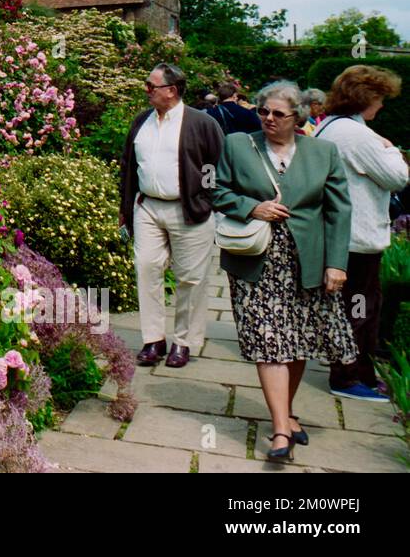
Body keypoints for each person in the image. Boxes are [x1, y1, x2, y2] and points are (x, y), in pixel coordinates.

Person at [211, 80, 357, 462]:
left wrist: (336, 263)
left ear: (298, 117)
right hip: (256, 262)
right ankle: (279, 429)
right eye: (263, 111)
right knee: (269, 341)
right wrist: (251, 206)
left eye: (278, 114)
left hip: (306, 261)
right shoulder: (238, 144)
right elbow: (216, 190)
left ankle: (287, 413)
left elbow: (339, 211)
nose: (269, 119)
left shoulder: (323, 153)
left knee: (296, 342)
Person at [120, 63, 224, 369]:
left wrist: (206, 200)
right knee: (147, 268)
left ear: (172, 91)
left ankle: (183, 342)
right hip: (148, 208)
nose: (146, 90)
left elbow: (217, 166)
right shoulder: (142, 121)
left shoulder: (201, 123)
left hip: (189, 210)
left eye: (151, 86)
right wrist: (125, 209)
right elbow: (128, 166)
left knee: (190, 279)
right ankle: (153, 340)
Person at [314, 66, 408, 402]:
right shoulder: (359, 136)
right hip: (357, 238)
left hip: (341, 234)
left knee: (359, 305)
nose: (382, 106)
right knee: (358, 308)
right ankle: (346, 376)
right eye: (380, 98)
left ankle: (360, 372)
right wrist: (392, 149)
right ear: (367, 97)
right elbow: (397, 177)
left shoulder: (329, 127)